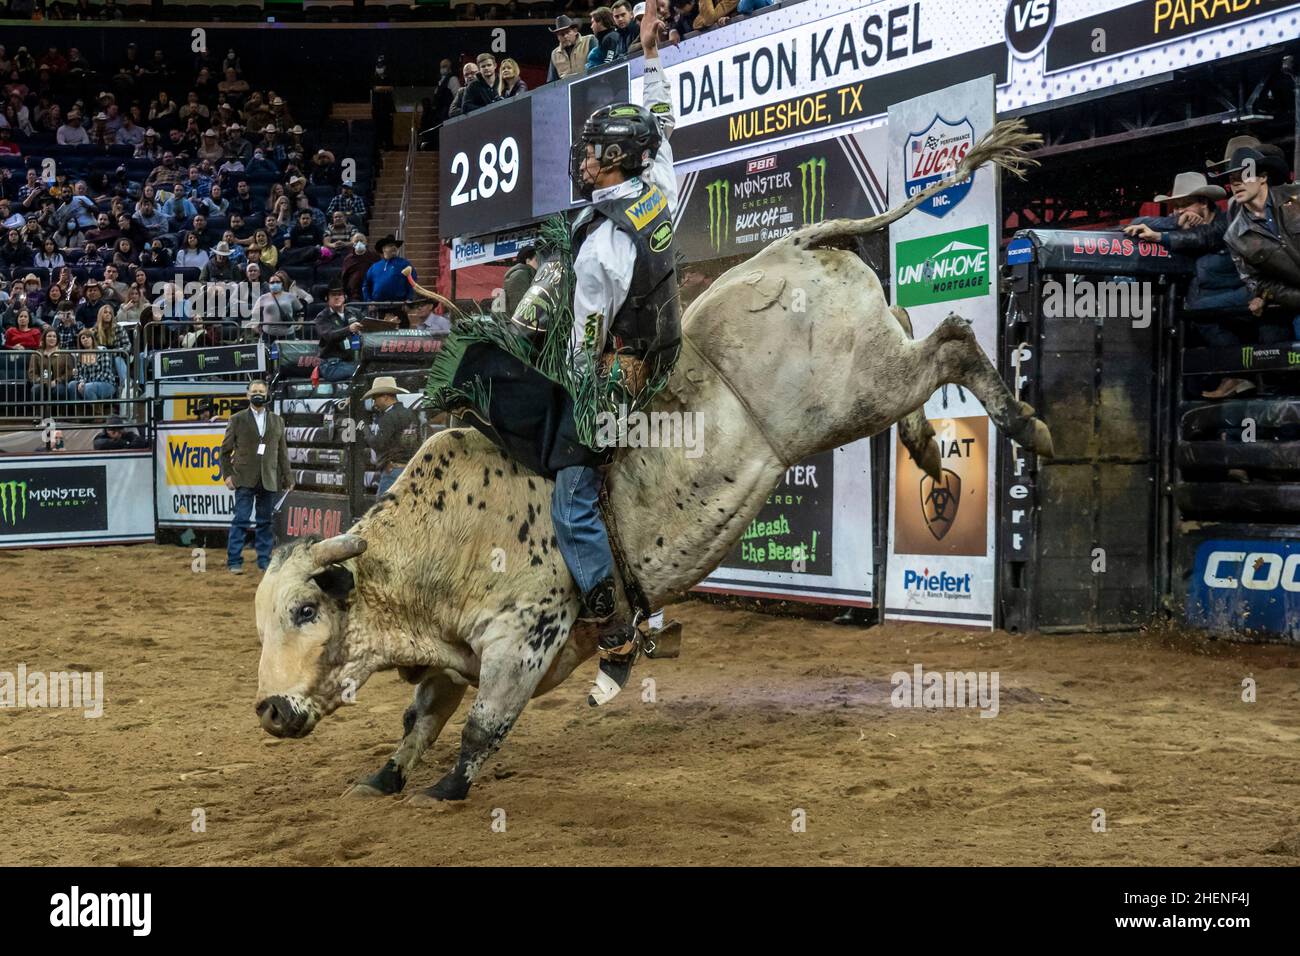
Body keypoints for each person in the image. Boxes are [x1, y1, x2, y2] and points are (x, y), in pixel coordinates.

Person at [556, 9, 681, 705]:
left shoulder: (599, 249)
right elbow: (662, 124)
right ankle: (650, 607)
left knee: (571, 499)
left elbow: (583, 346)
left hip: (620, 376)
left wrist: (569, 389)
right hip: (665, 351)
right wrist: (651, 56)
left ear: (614, 160)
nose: (583, 161)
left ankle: (613, 632)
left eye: (592, 154)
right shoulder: (658, 189)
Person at [220, 379, 291, 574]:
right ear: (247, 395)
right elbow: (224, 451)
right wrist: (228, 475)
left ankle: (264, 561)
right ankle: (234, 561)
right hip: (243, 478)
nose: (257, 394)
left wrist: (288, 477)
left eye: (261, 391)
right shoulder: (237, 419)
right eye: (254, 391)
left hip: (268, 477)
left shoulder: (277, 421)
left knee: (265, 522)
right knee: (241, 519)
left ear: (267, 394)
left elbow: (282, 452)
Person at [360, 375, 419, 497]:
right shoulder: (410, 414)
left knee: (382, 506)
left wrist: (365, 430)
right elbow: (418, 441)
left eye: (375, 398)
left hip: (393, 470)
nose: (374, 402)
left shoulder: (388, 417)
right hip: (410, 469)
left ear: (385, 397)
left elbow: (378, 444)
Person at [315, 281, 363, 382]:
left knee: (367, 369)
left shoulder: (355, 313)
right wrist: (349, 329)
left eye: (340, 294)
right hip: (331, 364)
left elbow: (368, 326)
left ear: (345, 297)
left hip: (352, 361)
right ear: (327, 298)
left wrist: (387, 324)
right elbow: (329, 336)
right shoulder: (322, 317)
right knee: (359, 371)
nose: (337, 297)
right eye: (333, 295)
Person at [362, 235, 413, 302]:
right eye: (391, 245)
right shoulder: (374, 267)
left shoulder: (404, 264)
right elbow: (365, 285)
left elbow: (412, 283)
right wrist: (369, 301)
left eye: (396, 246)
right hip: (377, 305)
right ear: (383, 249)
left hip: (399, 305)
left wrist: (409, 300)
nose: (394, 247)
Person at [502, 245, 539, 317]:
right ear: (528, 261)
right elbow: (518, 310)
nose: (540, 263)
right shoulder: (520, 275)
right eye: (537, 260)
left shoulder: (529, 275)